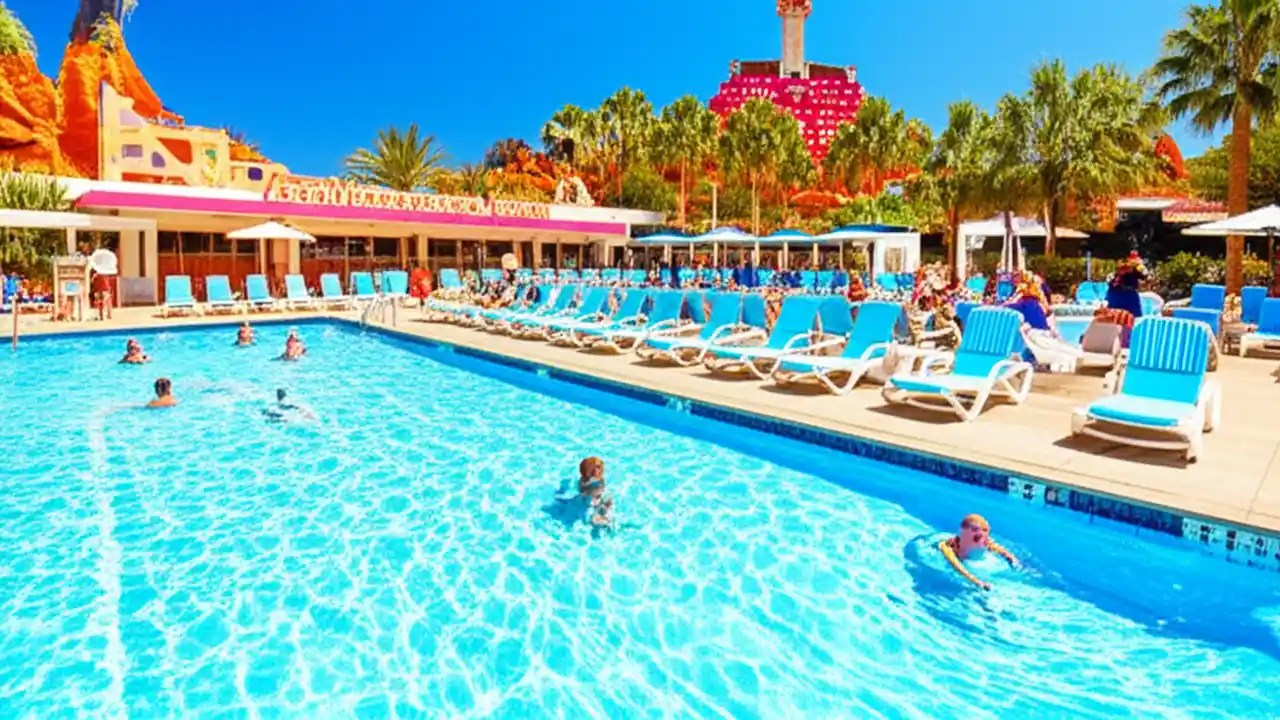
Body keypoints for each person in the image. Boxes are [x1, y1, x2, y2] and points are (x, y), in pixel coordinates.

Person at [938, 513, 1019, 591]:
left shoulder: (985, 541)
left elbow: (1001, 550)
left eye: (984, 530)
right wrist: (977, 582)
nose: (981, 534)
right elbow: (956, 565)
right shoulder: (946, 547)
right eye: (975, 530)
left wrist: (1012, 559)